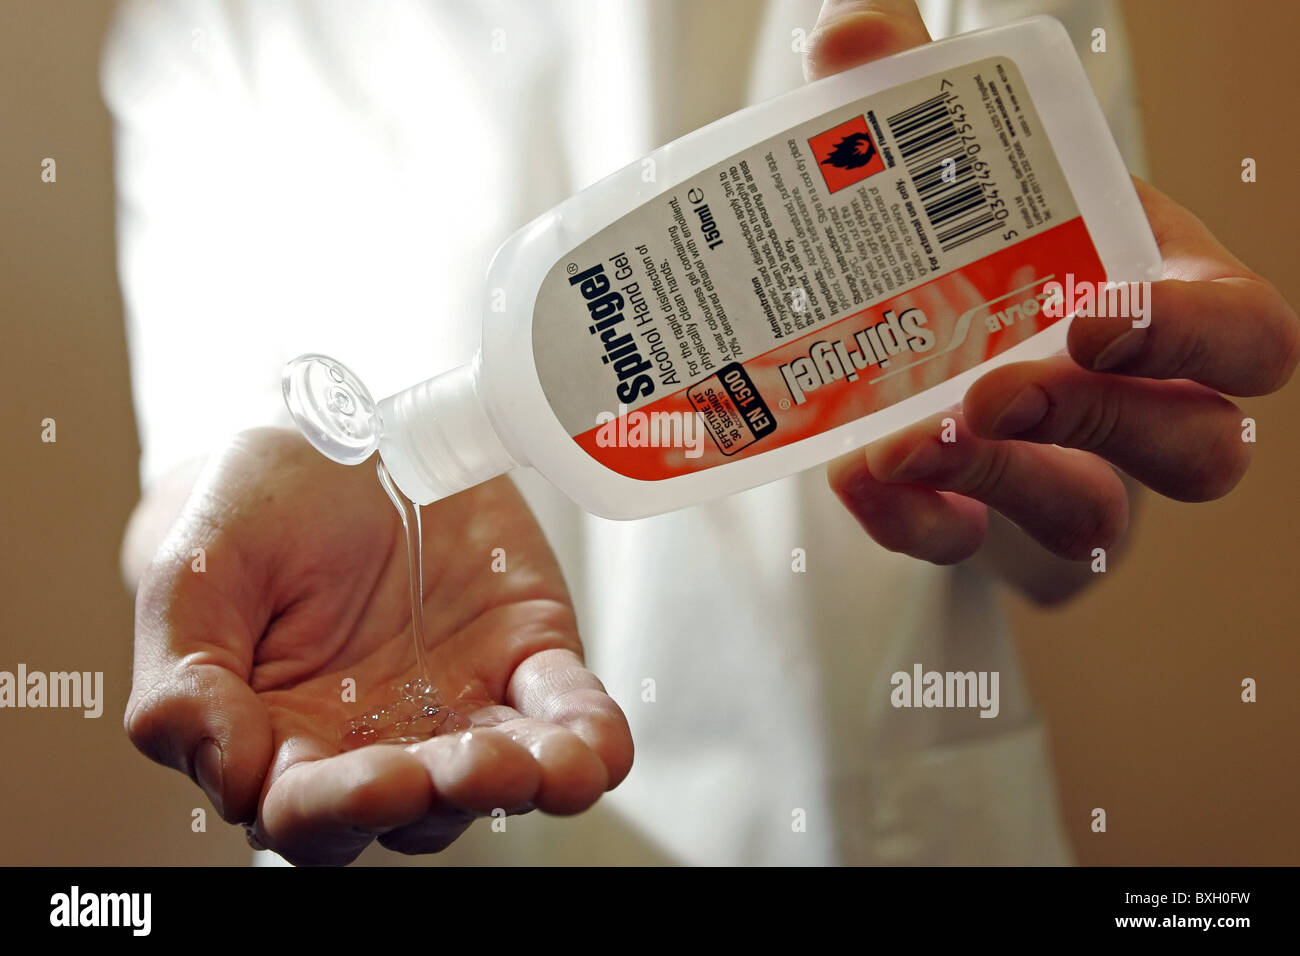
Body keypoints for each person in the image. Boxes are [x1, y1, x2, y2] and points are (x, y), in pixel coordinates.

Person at [106, 0, 1298, 866]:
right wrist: (227, 564)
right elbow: (198, 484)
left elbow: (1070, 525)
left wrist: (1039, 448)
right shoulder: (196, 28)